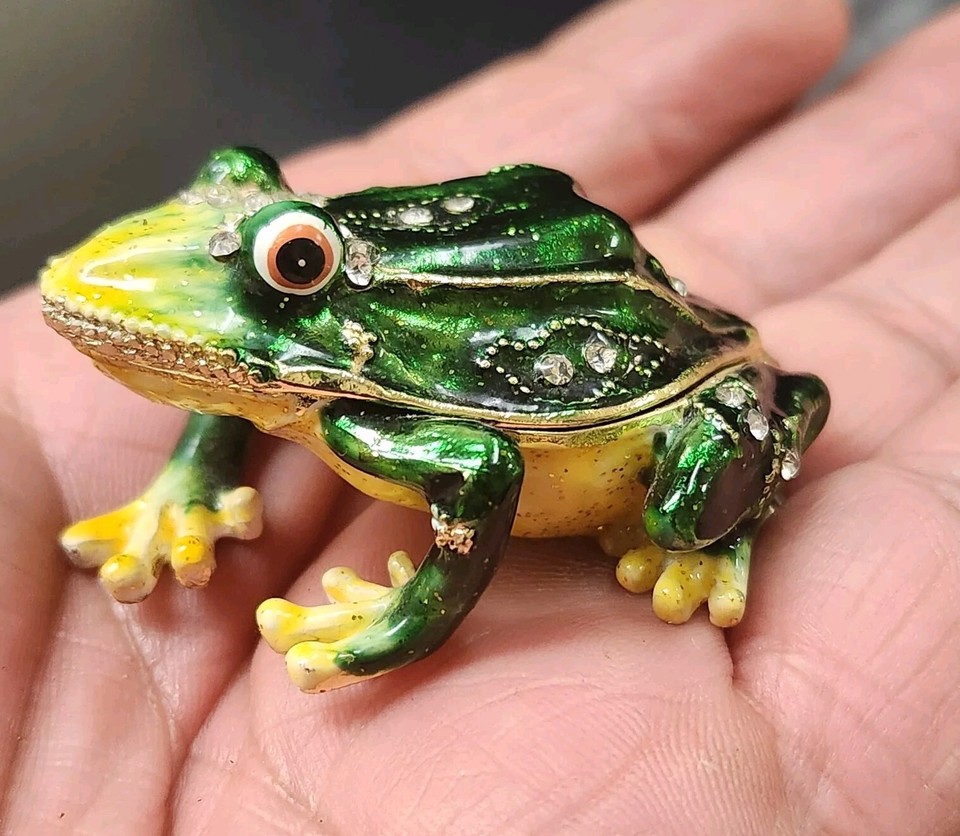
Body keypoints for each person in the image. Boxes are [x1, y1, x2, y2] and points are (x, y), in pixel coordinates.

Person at [1, 0, 958, 831]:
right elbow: (244, 380)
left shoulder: (362, 419)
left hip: (682, 397)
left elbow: (483, 466)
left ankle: (726, 535)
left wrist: (405, 626)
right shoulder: (306, 382)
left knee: (683, 513)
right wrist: (189, 479)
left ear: (312, 280)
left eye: (289, 267)